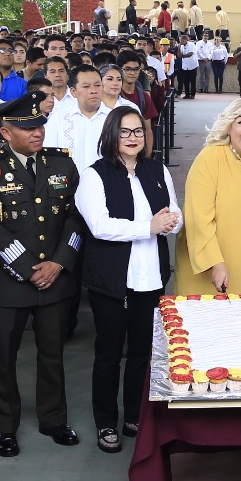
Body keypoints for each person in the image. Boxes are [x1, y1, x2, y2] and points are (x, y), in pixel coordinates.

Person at [0, 93, 84, 457]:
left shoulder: (62, 165)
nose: (37, 133)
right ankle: (4, 427)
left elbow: (76, 218)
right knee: (2, 356)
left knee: (53, 354)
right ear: (5, 132)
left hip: (55, 278)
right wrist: (26, 269)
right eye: (27, 127)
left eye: (40, 126)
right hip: (8, 281)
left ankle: (54, 418)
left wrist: (60, 263)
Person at [78, 106, 181, 453]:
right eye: (125, 132)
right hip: (112, 279)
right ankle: (106, 422)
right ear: (111, 134)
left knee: (142, 353)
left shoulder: (156, 170)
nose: (133, 138)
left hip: (150, 276)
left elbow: (174, 214)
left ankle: (135, 415)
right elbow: (100, 225)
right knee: (108, 354)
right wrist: (148, 227)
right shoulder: (95, 175)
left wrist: (170, 222)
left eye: (138, 131)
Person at [175, 97, 241, 295]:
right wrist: (215, 262)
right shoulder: (209, 158)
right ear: (228, 126)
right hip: (209, 270)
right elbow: (198, 219)